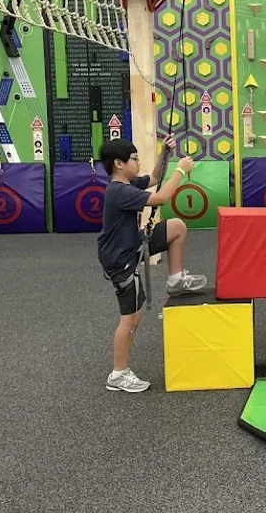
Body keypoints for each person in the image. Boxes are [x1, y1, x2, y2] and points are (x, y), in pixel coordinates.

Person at [97, 135, 208, 393]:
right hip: (121, 258)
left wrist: (164, 153)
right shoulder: (119, 191)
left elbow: (155, 180)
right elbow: (160, 198)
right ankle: (118, 373)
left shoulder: (128, 182)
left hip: (134, 243)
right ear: (118, 163)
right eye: (134, 159)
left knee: (177, 227)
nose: (138, 162)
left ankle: (176, 279)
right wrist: (181, 169)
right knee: (131, 318)